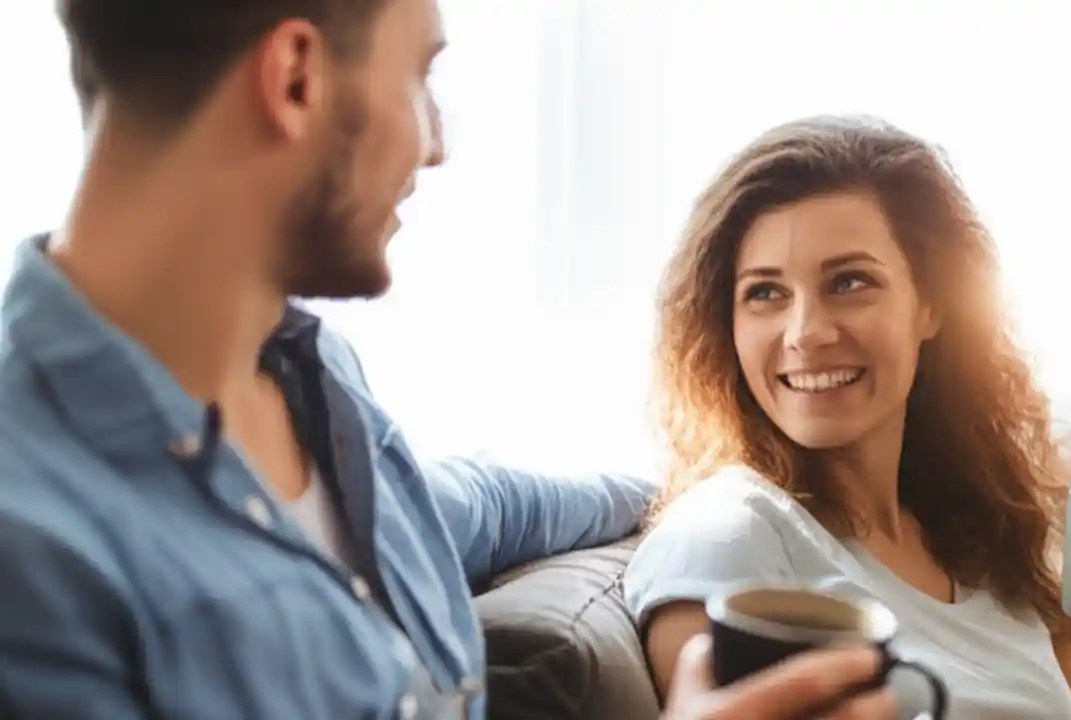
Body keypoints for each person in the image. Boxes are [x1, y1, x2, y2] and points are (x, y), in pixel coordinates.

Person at [0, 2, 899, 718]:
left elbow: (483, 503)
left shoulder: (319, 388)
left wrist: (670, 490)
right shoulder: (35, 554)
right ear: (297, 77)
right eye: (421, 76)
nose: (437, 143)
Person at [626, 115, 1071, 719]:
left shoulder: (994, 534)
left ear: (932, 307)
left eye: (849, 282)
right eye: (765, 292)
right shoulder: (727, 538)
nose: (805, 332)